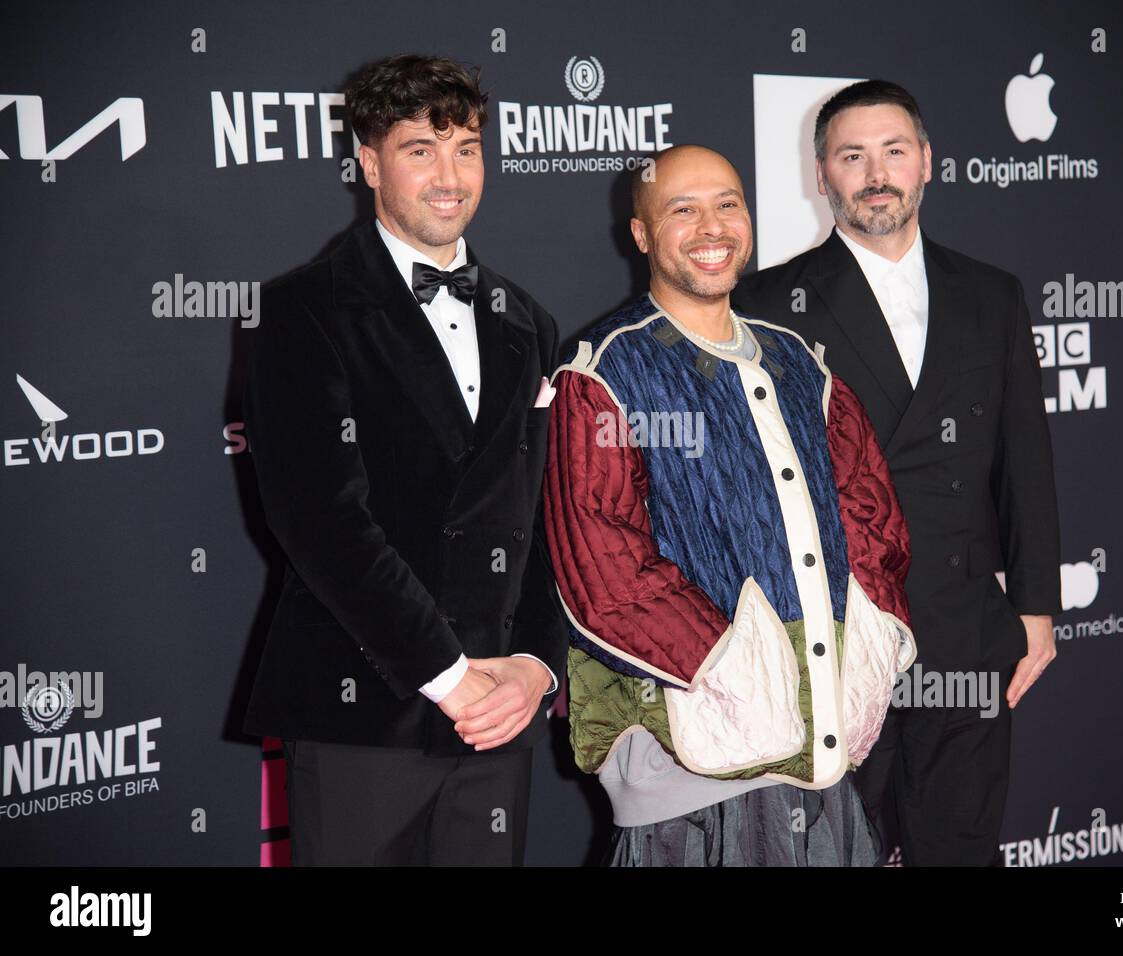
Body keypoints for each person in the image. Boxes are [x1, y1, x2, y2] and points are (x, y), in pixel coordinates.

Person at [544, 144, 913, 866]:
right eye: (682, 209)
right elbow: (603, 569)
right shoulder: (604, 371)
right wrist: (734, 670)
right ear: (643, 234)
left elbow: (872, 519)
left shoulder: (803, 363)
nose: (711, 225)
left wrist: (872, 644)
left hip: (823, 770)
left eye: (727, 204)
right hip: (692, 782)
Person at [241, 54, 567, 866]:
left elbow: (539, 516)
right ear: (369, 162)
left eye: (466, 149)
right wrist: (445, 675)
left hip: (496, 715)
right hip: (366, 706)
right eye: (422, 149)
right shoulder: (300, 309)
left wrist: (533, 666)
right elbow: (319, 521)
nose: (450, 175)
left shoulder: (527, 319)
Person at [732, 80, 1062, 866]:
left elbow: (1026, 457)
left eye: (893, 151)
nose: (875, 173)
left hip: (966, 637)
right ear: (823, 176)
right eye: (852, 156)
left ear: (928, 164)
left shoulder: (990, 295)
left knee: (959, 851)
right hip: (838, 646)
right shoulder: (769, 304)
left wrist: (1039, 607)